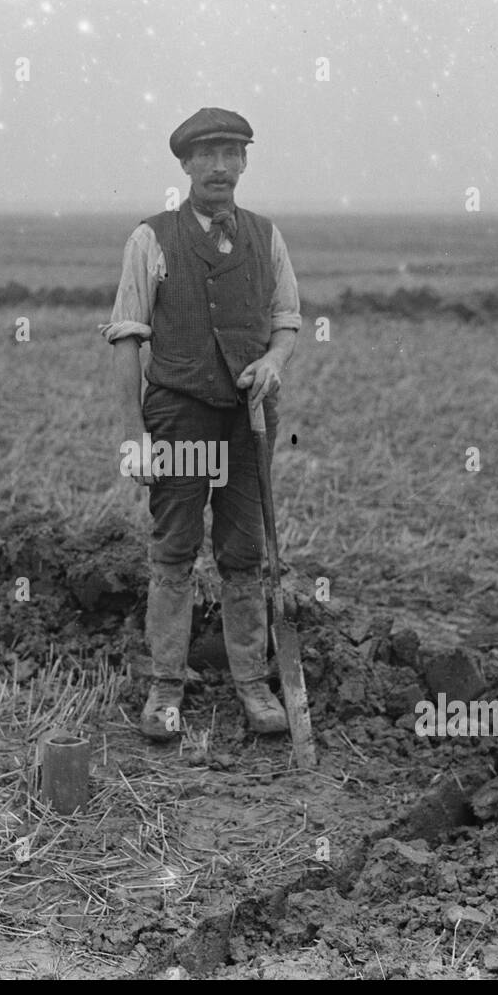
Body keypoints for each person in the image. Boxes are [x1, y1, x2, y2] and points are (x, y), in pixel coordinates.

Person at [98, 106, 303, 740]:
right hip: (179, 415)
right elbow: (128, 338)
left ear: (244, 161)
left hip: (248, 419)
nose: (220, 165)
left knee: (244, 552)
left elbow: (286, 320)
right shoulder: (151, 238)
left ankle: (253, 686)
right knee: (176, 547)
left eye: (232, 152)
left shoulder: (266, 236)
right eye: (207, 154)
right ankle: (166, 688)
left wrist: (272, 361)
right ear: (185, 165)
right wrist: (134, 435)